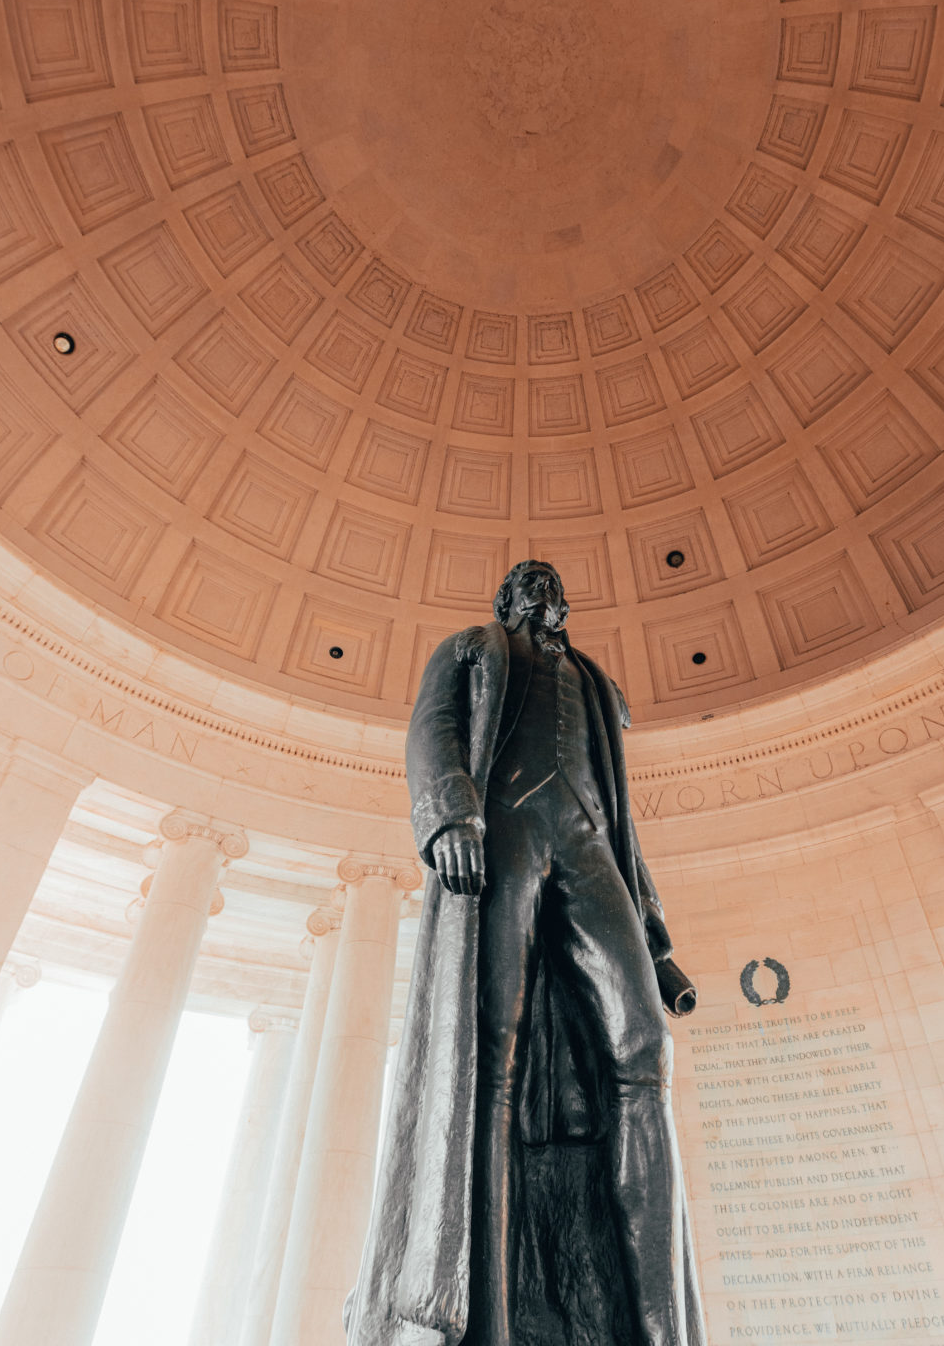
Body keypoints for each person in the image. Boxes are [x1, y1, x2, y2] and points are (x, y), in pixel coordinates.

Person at [346, 560, 704, 1346]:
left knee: (643, 1046)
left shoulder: (593, 682)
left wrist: (657, 941)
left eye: (549, 582)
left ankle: (657, 1322)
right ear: (504, 600)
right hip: (501, 832)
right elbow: (432, 731)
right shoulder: (473, 649)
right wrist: (448, 818)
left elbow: (623, 820)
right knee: (492, 1060)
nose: (539, 590)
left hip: (588, 846)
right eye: (525, 583)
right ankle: (489, 1321)